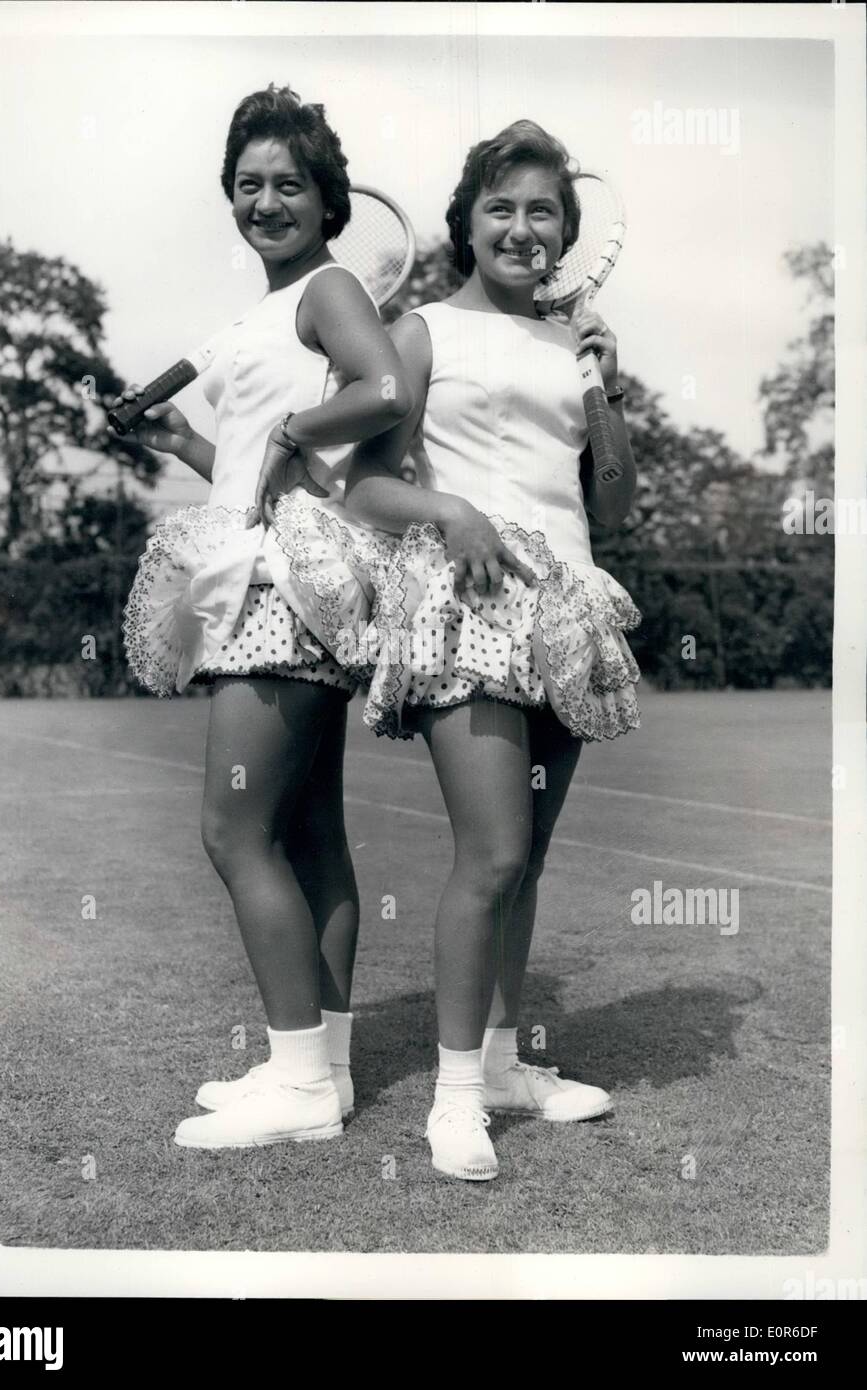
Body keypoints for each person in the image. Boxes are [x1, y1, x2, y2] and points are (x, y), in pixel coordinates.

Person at [343, 121, 640, 1181]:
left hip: (566, 604)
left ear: (565, 230)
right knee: (494, 853)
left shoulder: (576, 345)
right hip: (465, 599)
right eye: (500, 209)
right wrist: (450, 510)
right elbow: (365, 485)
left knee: (532, 858)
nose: (521, 228)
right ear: (465, 224)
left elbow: (613, 501)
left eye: (541, 211)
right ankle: (455, 1097)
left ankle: (509, 1065)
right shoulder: (421, 332)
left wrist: (605, 391)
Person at [117, 85, 410, 1150]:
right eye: (248, 184)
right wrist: (185, 447)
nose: (267, 200)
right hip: (267, 560)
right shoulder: (260, 309)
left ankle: (294, 1088)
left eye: (289, 182)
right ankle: (318, 1067)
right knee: (305, 828)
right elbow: (246, 464)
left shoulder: (330, 285)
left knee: (232, 830)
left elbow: (381, 390)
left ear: (329, 199)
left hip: (285, 584)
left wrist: (289, 423)